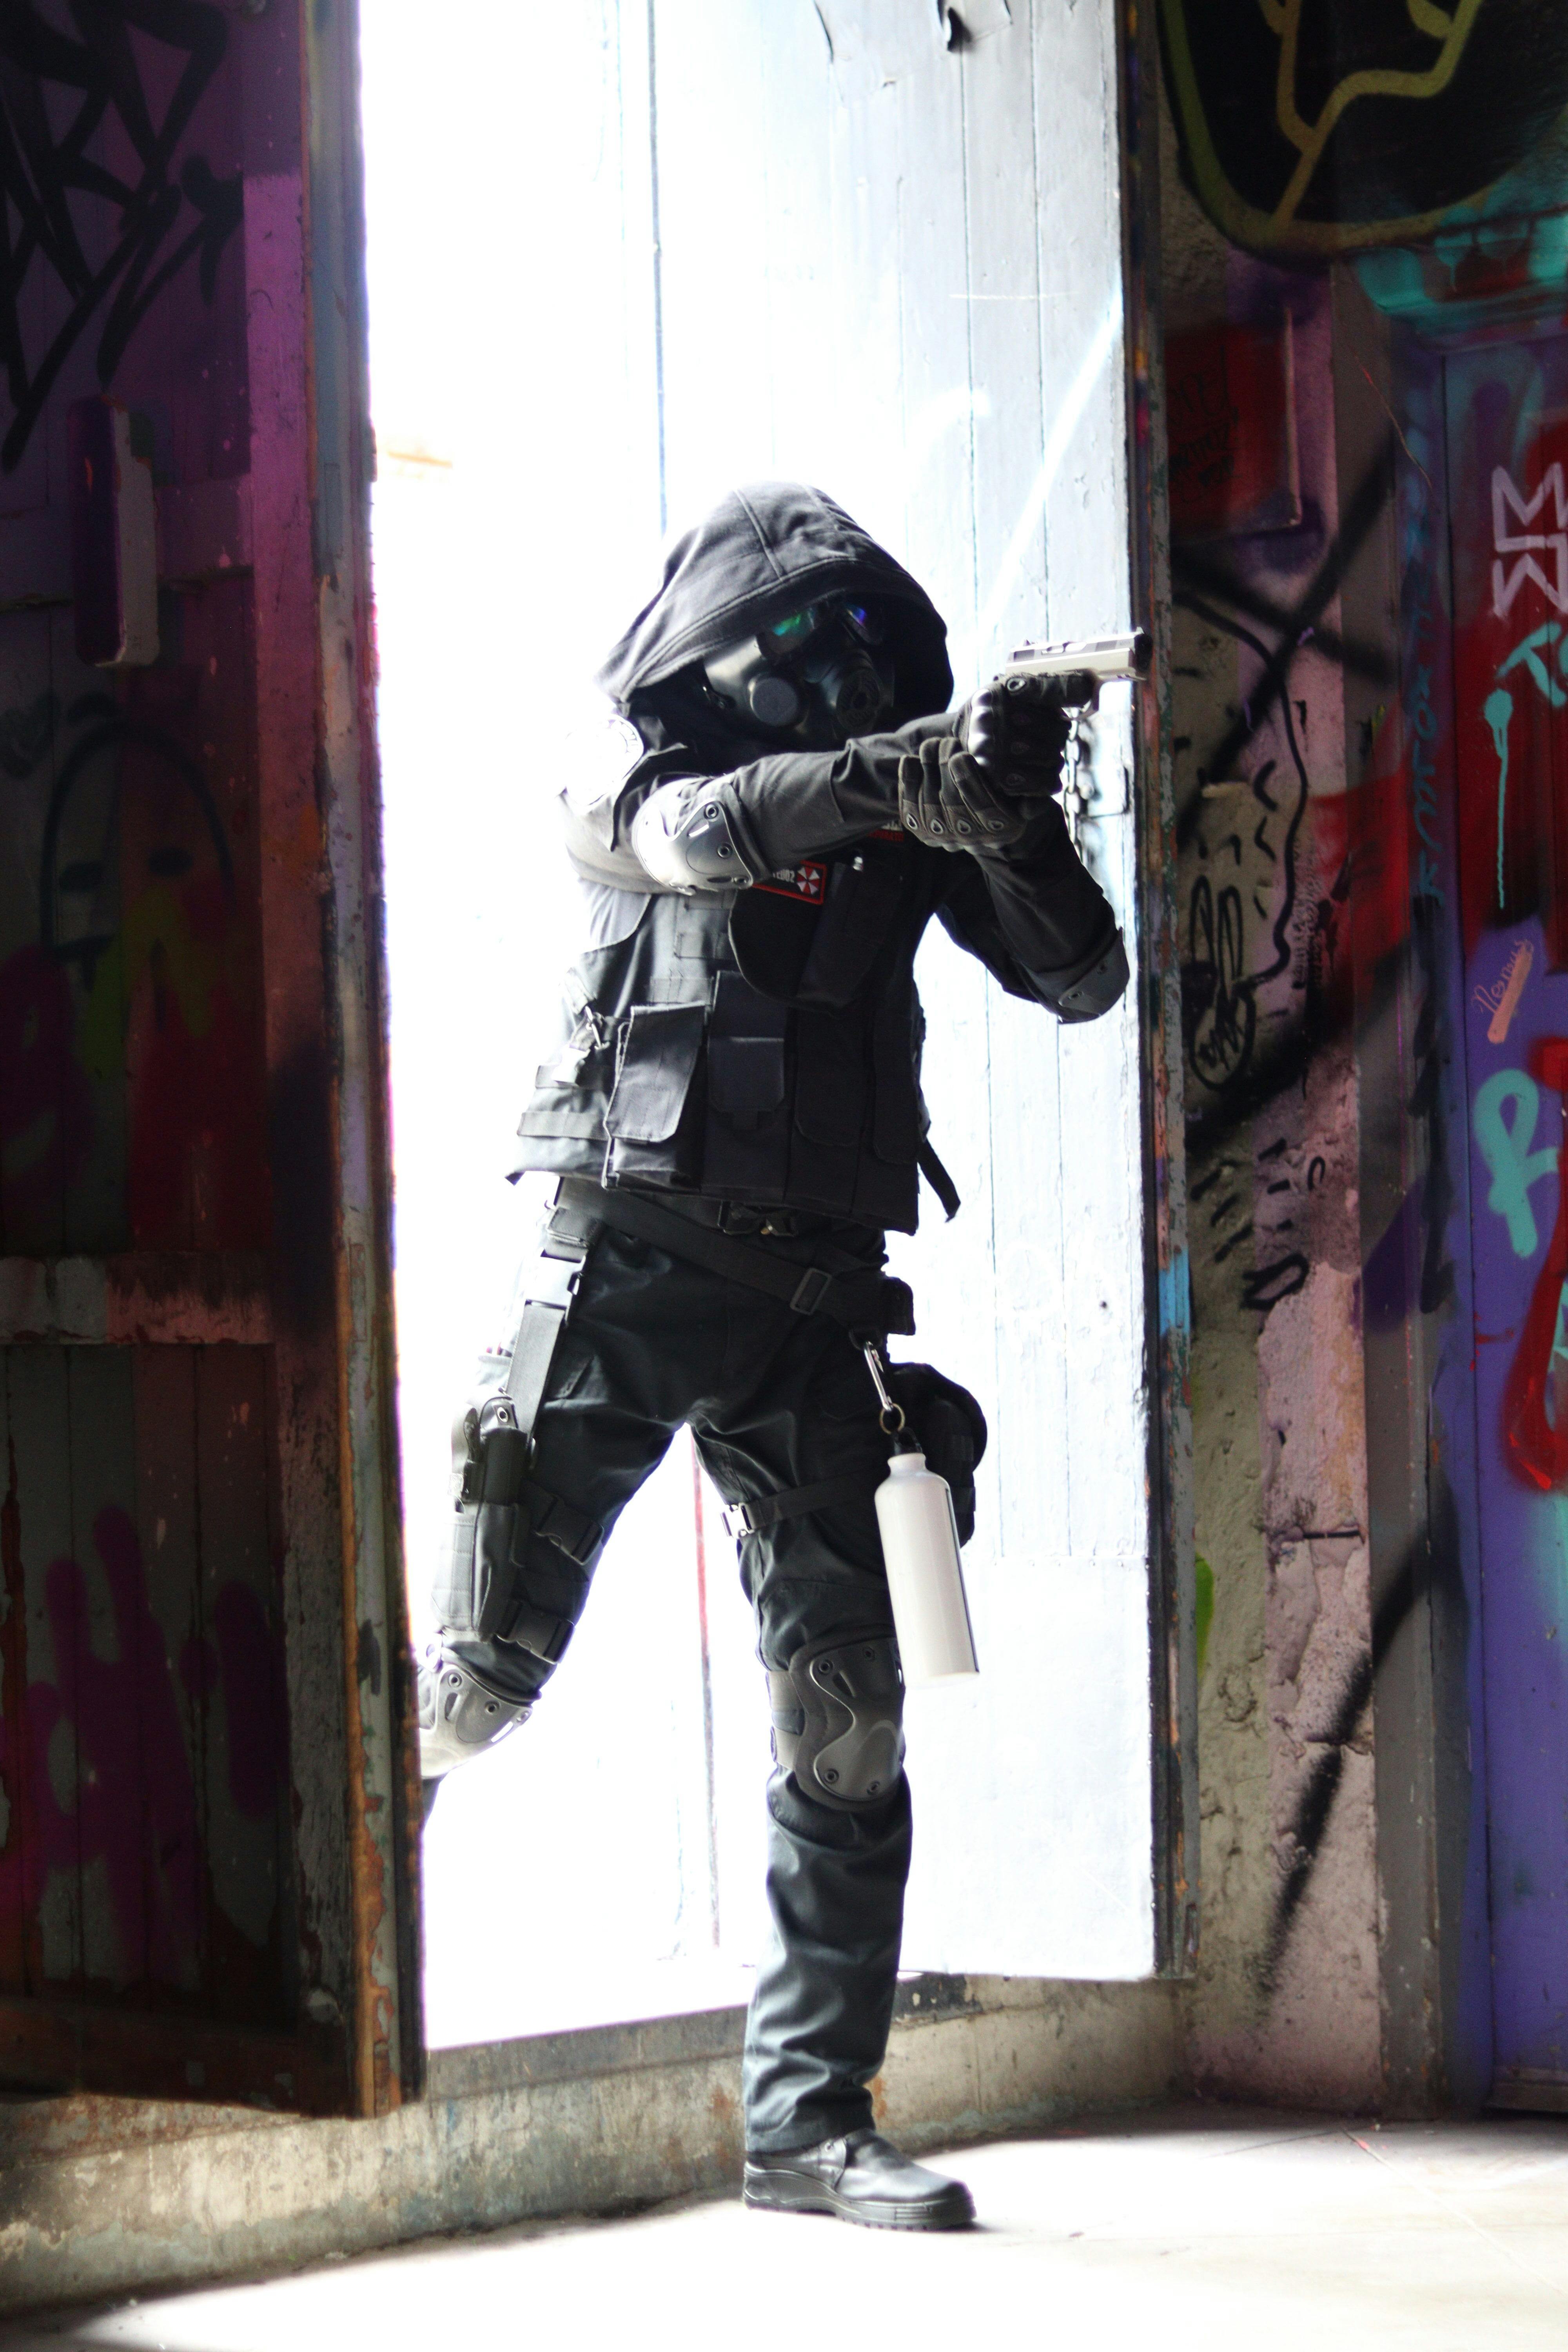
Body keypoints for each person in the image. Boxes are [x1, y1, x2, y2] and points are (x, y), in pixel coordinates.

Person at [417, 483, 1128, 2229]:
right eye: (801, 643)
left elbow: (1083, 976)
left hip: (817, 1307)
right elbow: (702, 834)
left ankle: (807, 2126)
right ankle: (268, 1999)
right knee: (468, 1685)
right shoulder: (626, 778)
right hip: (624, 1276)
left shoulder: (906, 824)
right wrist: (908, 779)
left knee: (851, 1721)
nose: (835, 678)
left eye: (859, 652)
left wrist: (1004, 814)